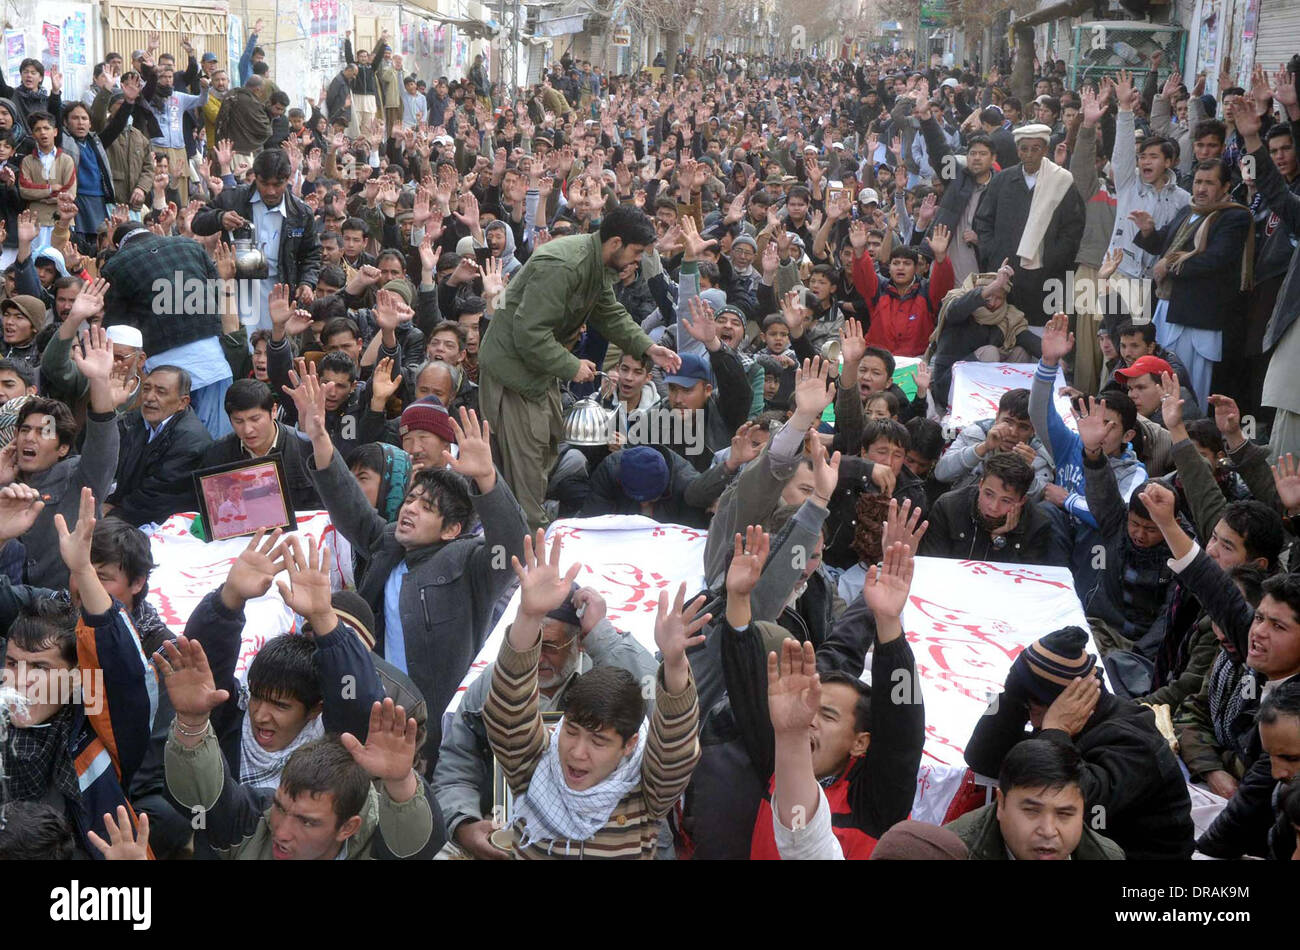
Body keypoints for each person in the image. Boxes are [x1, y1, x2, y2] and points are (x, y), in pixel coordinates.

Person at [286, 363, 527, 770]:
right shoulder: (389, 544)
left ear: (452, 529)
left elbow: (510, 544)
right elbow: (350, 507)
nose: (410, 510)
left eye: (426, 508)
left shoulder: (469, 564)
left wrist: (487, 478)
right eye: (411, 500)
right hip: (371, 703)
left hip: (433, 727)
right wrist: (319, 436)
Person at [482, 531, 707, 858]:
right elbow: (508, 712)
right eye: (571, 732)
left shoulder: (645, 792)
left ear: (629, 745)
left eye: (599, 741)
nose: (577, 753)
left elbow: (676, 747)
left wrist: (674, 664)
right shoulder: (535, 769)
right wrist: (528, 616)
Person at [477, 204, 681, 530]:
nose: (638, 260)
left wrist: (647, 347)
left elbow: (608, 313)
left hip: (537, 372)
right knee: (525, 467)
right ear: (615, 243)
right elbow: (529, 333)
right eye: (637, 251)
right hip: (512, 375)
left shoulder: (595, 263)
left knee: (543, 454)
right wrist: (571, 365)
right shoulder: (564, 265)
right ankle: (528, 553)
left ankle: (525, 530)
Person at [432, 584, 658, 860]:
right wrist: (463, 824)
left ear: (578, 642)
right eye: (532, 643)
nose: (537, 658)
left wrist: (602, 635)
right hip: (500, 833)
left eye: (550, 646)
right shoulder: (494, 685)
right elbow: (456, 765)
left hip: (599, 837)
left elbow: (658, 712)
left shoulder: (604, 675)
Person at [737, 533, 924, 859]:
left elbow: (902, 724)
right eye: (811, 710)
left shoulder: (875, 801)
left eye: (829, 716)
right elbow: (742, 678)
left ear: (860, 743)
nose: (809, 721)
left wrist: (888, 622)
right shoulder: (780, 750)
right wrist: (737, 602)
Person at [0, 485, 156, 859]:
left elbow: (120, 667)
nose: (18, 680)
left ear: (76, 680)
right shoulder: (45, 608)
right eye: (10, 664)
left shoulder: (94, 734)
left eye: (40, 667)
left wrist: (83, 568)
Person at [965, 625, 1195, 860]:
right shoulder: (1064, 726)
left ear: (1069, 703)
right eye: (1026, 707)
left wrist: (1056, 731)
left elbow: (1073, 804)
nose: (1032, 720)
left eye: (1036, 707)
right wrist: (1012, 693)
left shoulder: (1133, 742)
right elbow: (982, 758)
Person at [3, 326, 120, 589]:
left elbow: (102, 444)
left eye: (43, 432)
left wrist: (99, 381)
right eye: (24, 430)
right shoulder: (5, 482)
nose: (30, 438)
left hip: (62, 607)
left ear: (63, 448)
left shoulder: (78, 479)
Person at [1130, 158, 1252, 409]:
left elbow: (1216, 260)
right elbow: (1163, 246)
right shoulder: (1189, 210)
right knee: (1162, 378)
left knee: (1191, 388)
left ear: (1226, 186)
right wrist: (1148, 232)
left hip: (1199, 318)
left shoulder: (1233, 217)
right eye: (1197, 182)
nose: (1201, 189)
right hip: (1169, 308)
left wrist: (1171, 266)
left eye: (1209, 183)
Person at [101, 222, 233, 439]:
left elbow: (118, 328)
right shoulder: (190, 246)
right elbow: (216, 292)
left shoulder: (115, 266)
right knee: (215, 444)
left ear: (118, 244)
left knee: (170, 445)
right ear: (148, 231)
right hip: (212, 362)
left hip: (163, 374)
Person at [191, 149, 322, 330]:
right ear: (255, 178)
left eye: (277, 184)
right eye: (264, 183)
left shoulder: (301, 213)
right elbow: (197, 223)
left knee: (271, 348)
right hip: (236, 289)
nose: (270, 191)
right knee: (237, 344)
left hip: (279, 293)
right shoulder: (234, 198)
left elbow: (312, 254)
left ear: (288, 179)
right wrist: (220, 218)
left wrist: (307, 282)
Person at [973, 123, 1086, 325]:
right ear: (1017, 150)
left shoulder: (1062, 181)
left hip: (1046, 275)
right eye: (1024, 149)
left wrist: (1052, 257)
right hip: (1006, 271)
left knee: (1042, 332)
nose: (1029, 154)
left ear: (1045, 150)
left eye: (1036, 148)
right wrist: (994, 252)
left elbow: (1073, 228)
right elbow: (983, 221)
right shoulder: (1002, 180)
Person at [945, 737, 1125, 860]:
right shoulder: (948, 852)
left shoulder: (1106, 855)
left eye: (1064, 814)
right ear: (1001, 803)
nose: (1048, 831)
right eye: (1032, 811)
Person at [107, 365, 213, 526]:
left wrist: (111, 512)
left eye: (161, 392)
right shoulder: (134, 421)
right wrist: (105, 409)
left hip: (162, 524)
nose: (149, 397)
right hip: (126, 508)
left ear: (182, 402)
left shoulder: (191, 442)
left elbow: (156, 497)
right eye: (146, 389)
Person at [922, 451, 1055, 563]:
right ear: (980, 485)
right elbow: (933, 566)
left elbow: (1027, 582)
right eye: (989, 494)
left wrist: (999, 540)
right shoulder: (948, 508)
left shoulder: (1037, 525)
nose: (993, 507)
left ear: (1021, 501)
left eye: (1006, 501)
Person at [934, 387, 1051, 500]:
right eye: (1008, 422)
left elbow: (1040, 499)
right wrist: (982, 448)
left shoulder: (1038, 453)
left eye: (1023, 427)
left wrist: (1026, 471)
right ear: (997, 417)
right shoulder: (975, 434)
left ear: (1033, 430)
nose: (1013, 433)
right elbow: (941, 473)